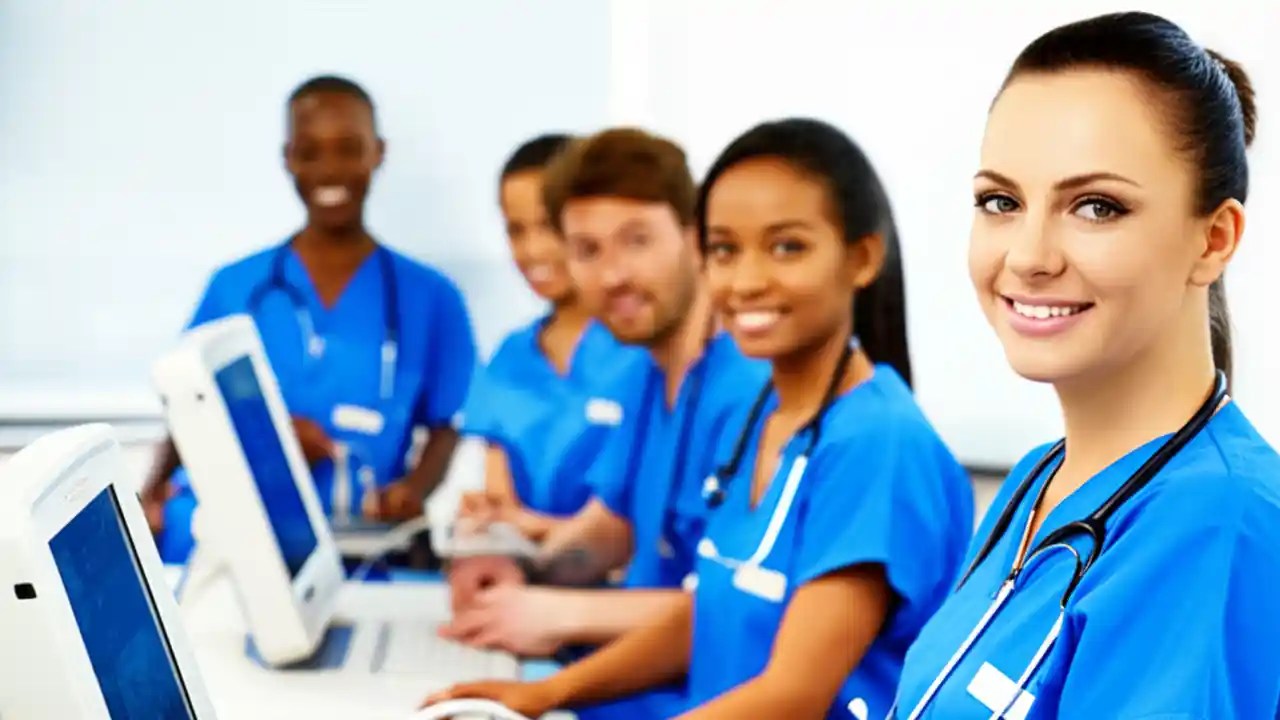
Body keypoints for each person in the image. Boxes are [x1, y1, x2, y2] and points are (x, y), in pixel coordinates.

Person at [427, 118, 975, 720]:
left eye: (787, 247)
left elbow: (794, 696)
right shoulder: (766, 421)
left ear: (861, 257)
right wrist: (544, 695)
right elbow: (709, 610)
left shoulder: (878, 443)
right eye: (725, 250)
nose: (747, 280)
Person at [891, 12, 1280, 719]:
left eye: (1097, 207)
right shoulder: (1037, 481)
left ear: (1214, 239)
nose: (1029, 255)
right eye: (1001, 202)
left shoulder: (1215, 524)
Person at [441, 129, 769, 691]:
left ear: (695, 237)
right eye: (587, 251)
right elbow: (612, 531)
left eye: (636, 241)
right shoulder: (645, 375)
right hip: (628, 685)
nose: (613, 275)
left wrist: (556, 613)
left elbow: (739, 606)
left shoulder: (754, 389)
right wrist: (516, 572)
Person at [141, 75, 477, 563]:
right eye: (310, 152)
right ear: (288, 158)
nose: (330, 169)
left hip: (360, 541)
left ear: (378, 153)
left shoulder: (432, 297)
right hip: (227, 537)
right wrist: (152, 492)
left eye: (349, 149)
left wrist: (412, 492)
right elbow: (186, 409)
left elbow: (446, 424)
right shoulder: (233, 287)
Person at [455, 133, 648, 540]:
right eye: (516, 230)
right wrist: (485, 518)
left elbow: (646, 530)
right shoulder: (510, 358)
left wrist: (530, 527)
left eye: (549, 226)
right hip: (528, 572)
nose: (533, 250)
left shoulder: (644, 351)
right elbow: (502, 509)